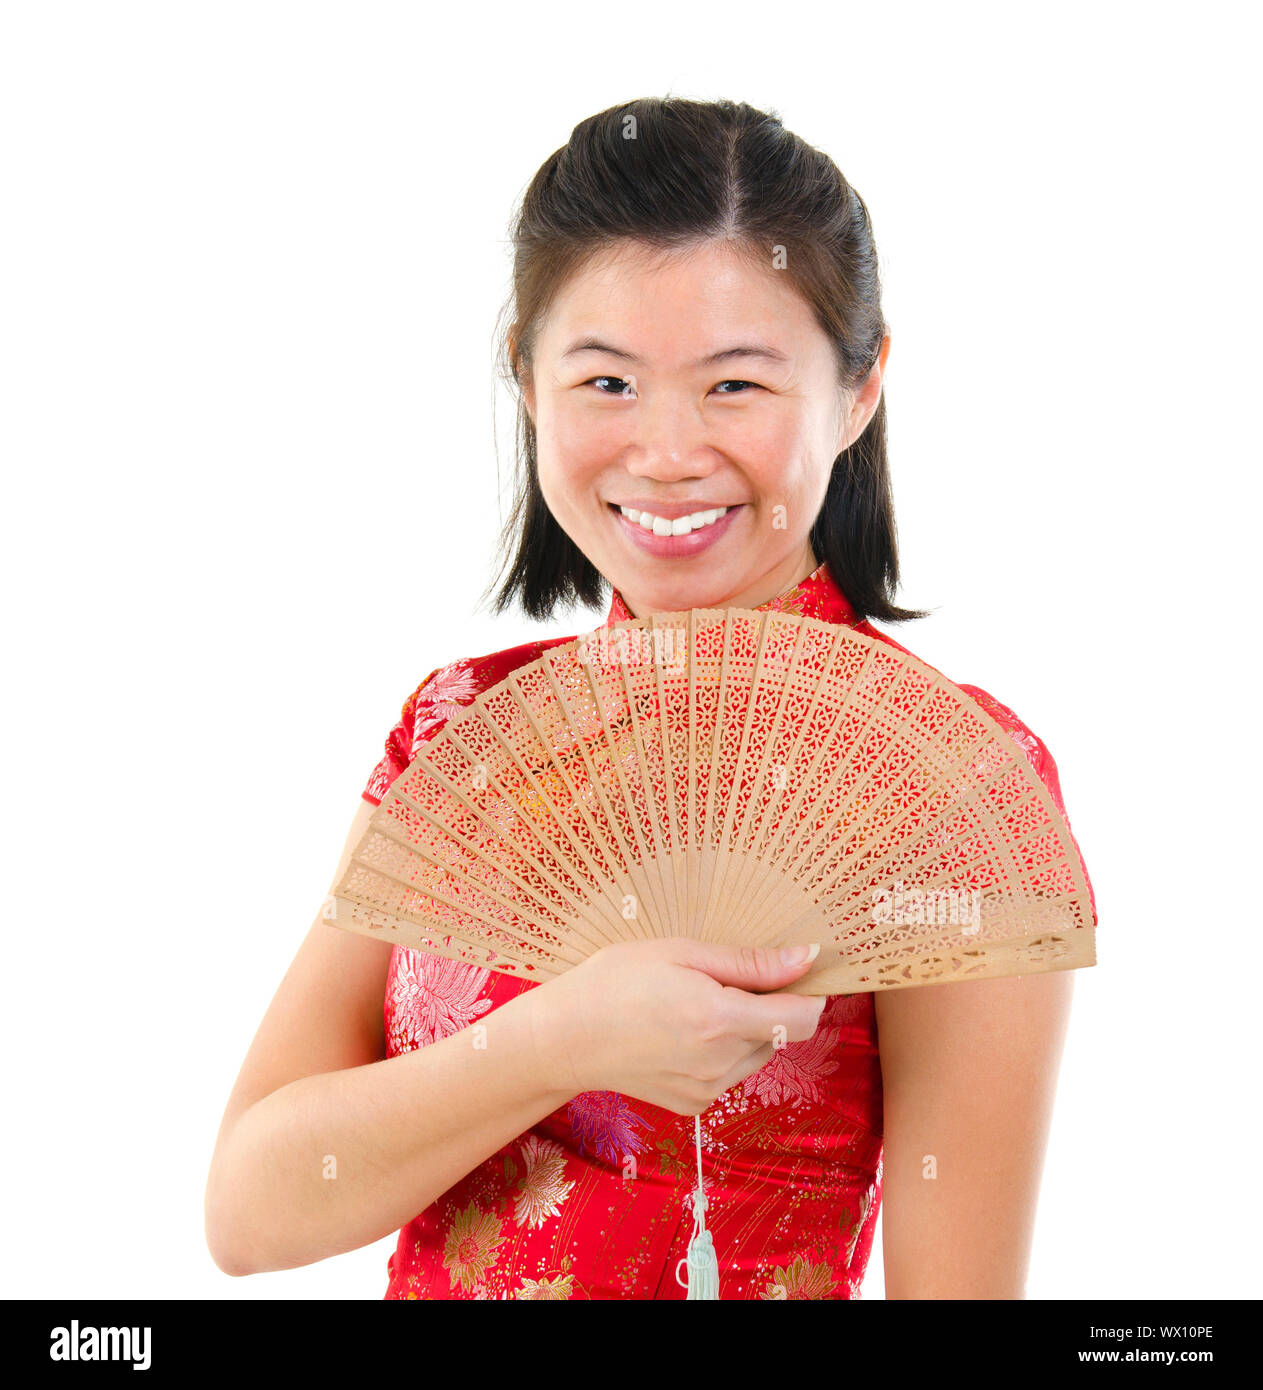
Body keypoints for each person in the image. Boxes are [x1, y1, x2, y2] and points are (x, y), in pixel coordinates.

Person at [204, 96, 1097, 1300]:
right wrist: (558, 1042)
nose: (666, 452)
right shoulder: (461, 730)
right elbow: (250, 1214)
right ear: (526, 378)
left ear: (859, 388)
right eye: (608, 381)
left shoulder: (941, 779)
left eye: (735, 386)